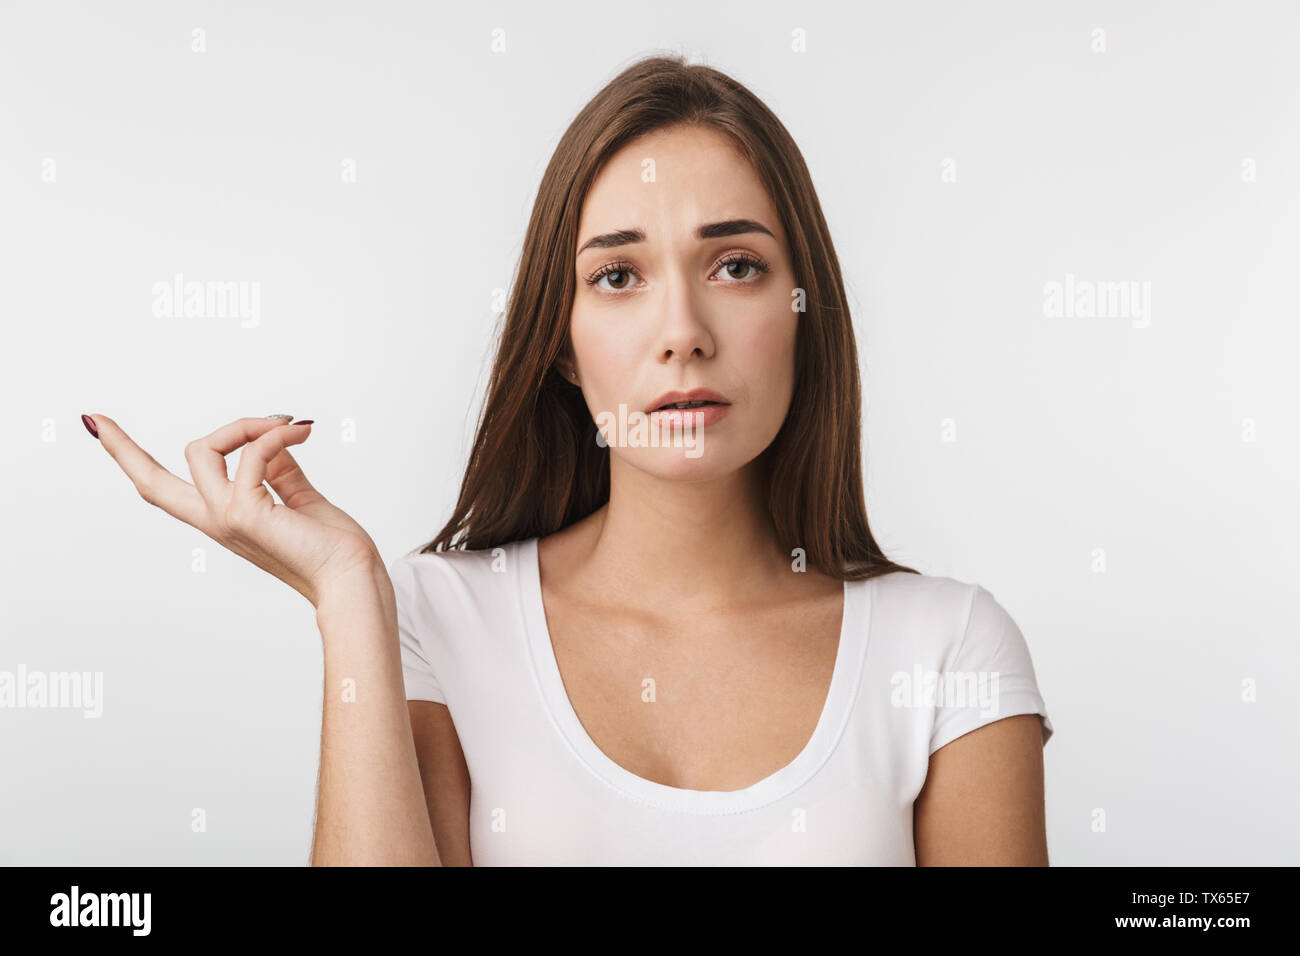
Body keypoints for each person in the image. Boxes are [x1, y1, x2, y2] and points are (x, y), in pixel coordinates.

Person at [84, 53, 1052, 866]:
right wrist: (346, 590)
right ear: (560, 339)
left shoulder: (947, 648)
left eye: (736, 265)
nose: (682, 331)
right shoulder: (431, 617)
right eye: (618, 276)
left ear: (804, 311)